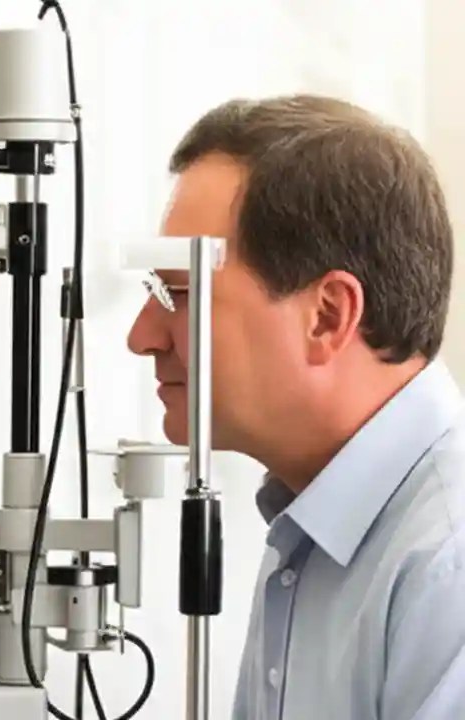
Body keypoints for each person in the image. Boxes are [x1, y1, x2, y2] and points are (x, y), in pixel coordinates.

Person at [128, 94, 463, 719]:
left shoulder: (448, 562)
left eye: (181, 292)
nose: (141, 336)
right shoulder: (311, 525)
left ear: (328, 316)